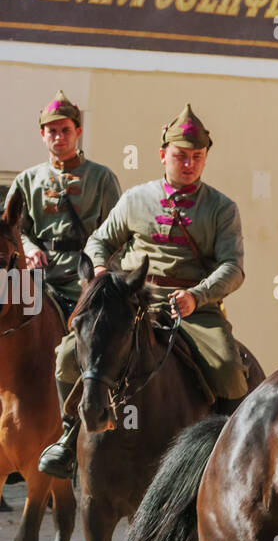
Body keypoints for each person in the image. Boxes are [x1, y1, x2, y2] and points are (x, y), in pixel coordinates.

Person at [38, 104, 247, 478]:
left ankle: (230, 457)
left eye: (197, 157)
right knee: (67, 356)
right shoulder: (136, 199)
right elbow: (99, 241)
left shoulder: (221, 208)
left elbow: (233, 268)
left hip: (192, 307)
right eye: (181, 156)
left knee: (229, 369)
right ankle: (69, 438)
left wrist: (197, 295)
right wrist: (101, 272)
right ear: (162, 155)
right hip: (131, 303)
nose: (189, 164)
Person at [5, 91, 121, 311]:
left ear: (78, 132)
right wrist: (29, 249)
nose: (59, 137)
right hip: (38, 274)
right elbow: (12, 228)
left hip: (84, 274)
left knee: (91, 334)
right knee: (9, 315)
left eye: (65, 130)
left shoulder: (101, 177)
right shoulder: (27, 180)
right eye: (52, 131)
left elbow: (116, 233)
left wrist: (101, 269)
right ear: (42, 134)